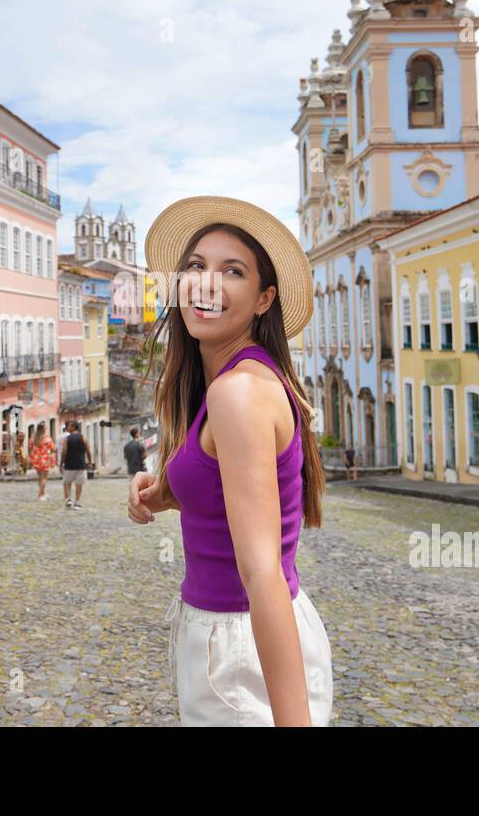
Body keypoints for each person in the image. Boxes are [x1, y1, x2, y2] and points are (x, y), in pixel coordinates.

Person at [129, 197, 333, 727]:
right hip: (228, 644)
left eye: (233, 271)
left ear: (265, 299)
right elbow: (224, 484)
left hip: (243, 652)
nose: (207, 282)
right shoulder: (228, 383)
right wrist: (165, 488)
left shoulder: (238, 392)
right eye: (196, 266)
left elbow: (261, 571)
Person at [61, 421, 91, 509]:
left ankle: (68, 499)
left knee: (67, 483)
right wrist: (89, 462)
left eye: (69, 426)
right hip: (81, 464)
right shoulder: (83, 437)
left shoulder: (67, 439)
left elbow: (64, 452)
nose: (67, 427)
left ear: (73, 427)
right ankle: (77, 502)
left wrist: (61, 462)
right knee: (79, 484)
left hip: (69, 464)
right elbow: (88, 450)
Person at [29, 426, 56, 500]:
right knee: (44, 478)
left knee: (40, 478)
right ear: (44, 429)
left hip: (36, 459)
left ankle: (43, 493)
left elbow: (30, 447)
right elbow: (53, 449)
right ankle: (40, 495)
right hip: (45, 460)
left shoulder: (33, 438)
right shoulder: (47, 439)